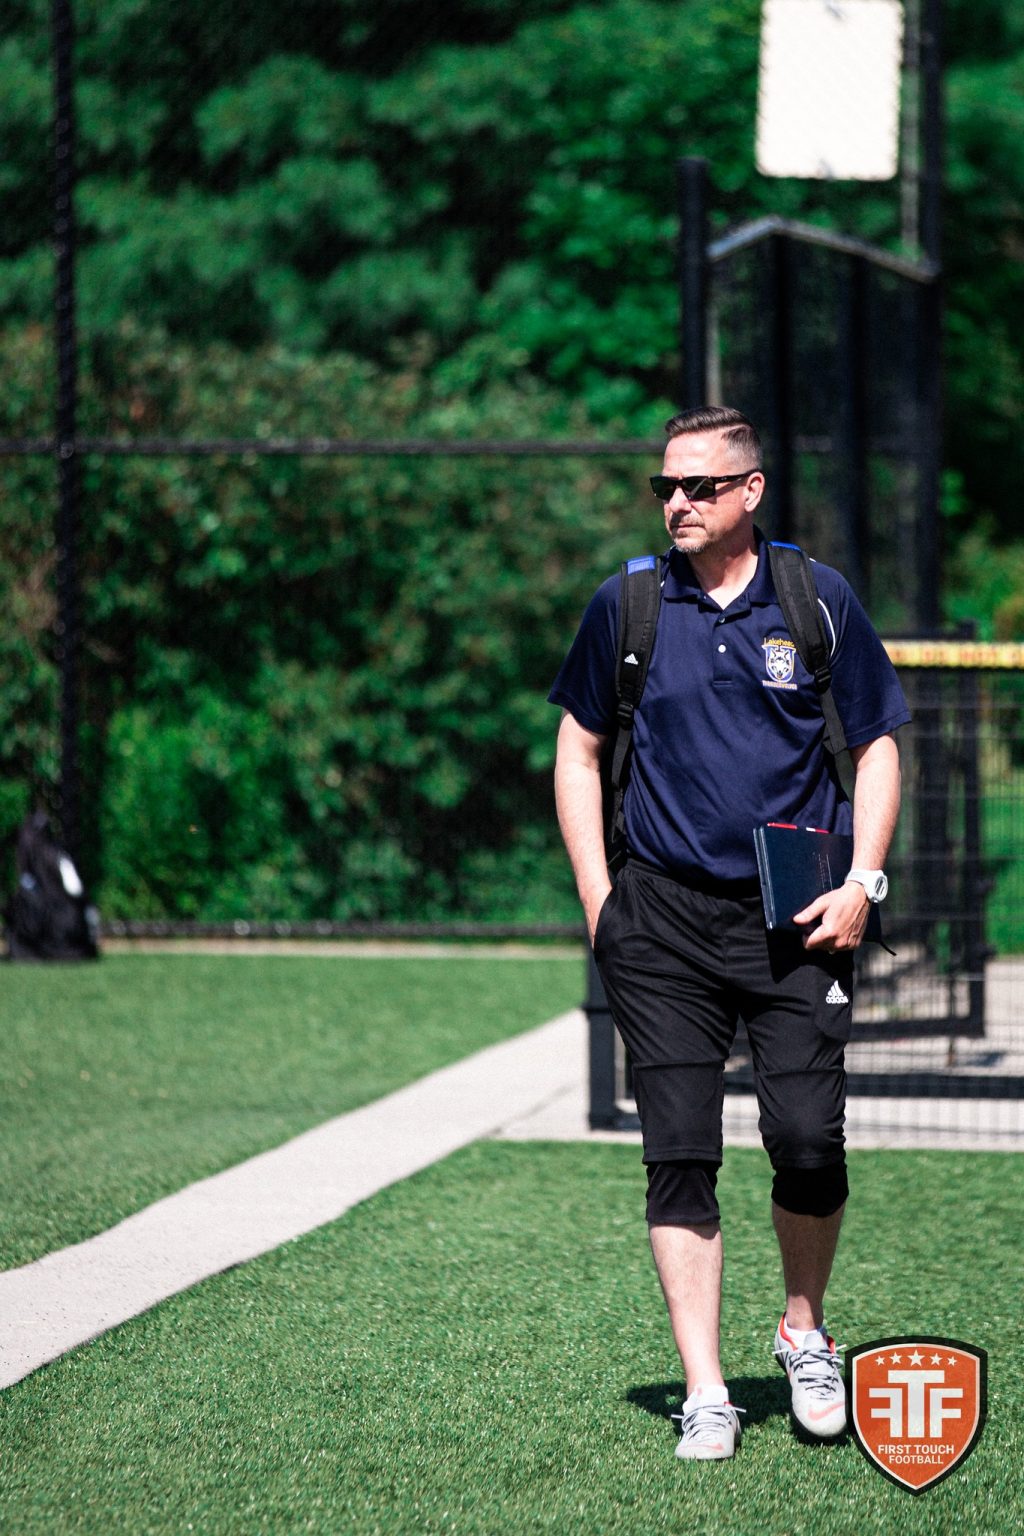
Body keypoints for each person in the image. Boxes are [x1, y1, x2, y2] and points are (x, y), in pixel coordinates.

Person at [548, 405, 910, 1461]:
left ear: (751, 492)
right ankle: (704, 1389)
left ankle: (803, 1331)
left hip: (799, 916)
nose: (676, 504)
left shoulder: (813, 598)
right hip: (658, 920)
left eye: (699, 488)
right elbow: (576, 749)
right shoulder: (626, 605)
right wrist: (598, 900)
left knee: (805, 1139)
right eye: (665, 487)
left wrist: (861, 884)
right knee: (678, 1154)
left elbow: (879, 744)